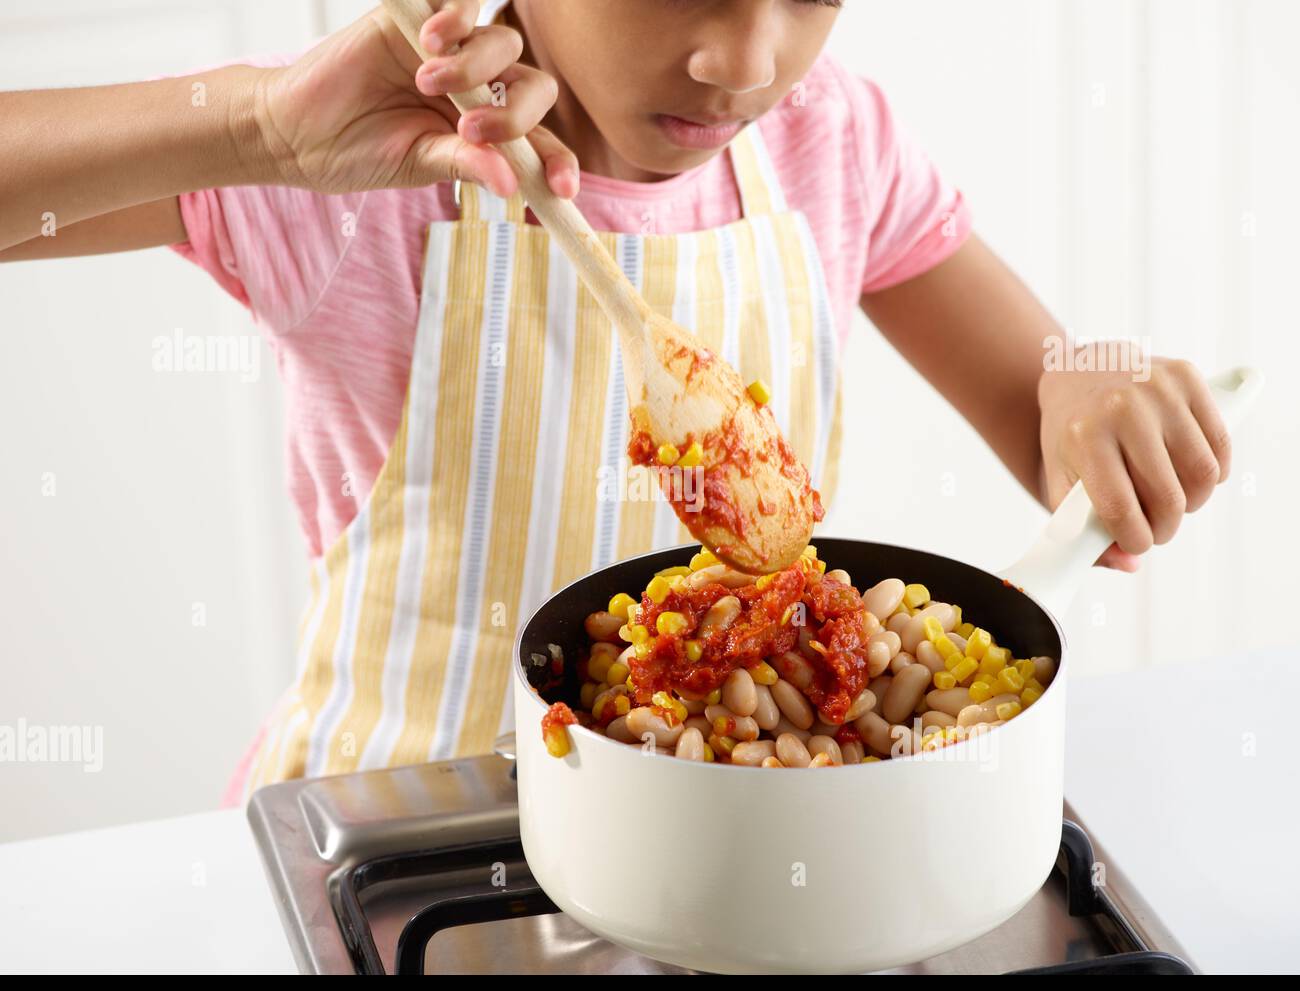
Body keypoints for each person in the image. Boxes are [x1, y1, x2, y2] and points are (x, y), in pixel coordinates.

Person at [0, 1, 1232, 801]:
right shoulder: (360, 169)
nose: (742, 63)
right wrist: (260, 125)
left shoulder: (828, 142)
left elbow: (1048, 411)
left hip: (729, 865)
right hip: (384, 859)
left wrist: (1094, 387)